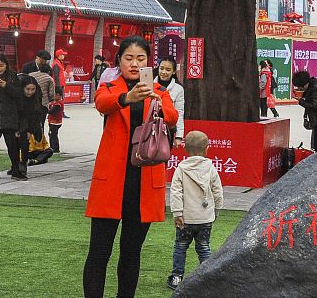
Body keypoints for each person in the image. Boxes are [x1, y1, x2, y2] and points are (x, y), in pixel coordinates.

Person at [84, 35, 178, 298]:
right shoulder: (110, 87)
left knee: (131, 252)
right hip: (112, 181)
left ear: (149, 63)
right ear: (119, 61)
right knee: (99, 251)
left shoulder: (159, 91)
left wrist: (157, 102)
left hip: (143, 182)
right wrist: (127, 97)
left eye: (141, 58)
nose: (135, 64)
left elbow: (172, 117)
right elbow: (102, 104)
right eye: (129, 58)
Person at [166, 130, 223, 289]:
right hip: (205, 218)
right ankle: (208, 278)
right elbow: (217, 191)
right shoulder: (211, 168)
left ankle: (177, 277)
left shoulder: (181, 169)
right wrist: (216, 209)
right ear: (207, 149)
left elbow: (176, 192)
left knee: (180, 246)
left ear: (185, 148)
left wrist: (177, 213)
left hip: (186, 218)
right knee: (204, 247)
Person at [17, 75, 53, 170]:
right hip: (17, 122)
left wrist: (30, 130)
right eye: (27, 89)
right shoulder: (17, 98)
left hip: (30, 124)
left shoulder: (36, 99)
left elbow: (34, 117)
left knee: (25, 143)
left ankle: (23, 166)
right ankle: (15, 166)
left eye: (33, 89)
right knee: (14, 145)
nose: (30, 92)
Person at [294, 69, 317, 152]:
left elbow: (315, 105)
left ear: (304, 84)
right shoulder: (312, 85)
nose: (299, 88)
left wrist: (301, 101)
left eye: (300, 86)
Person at [157, 56, 185, 148]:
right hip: (148, 128)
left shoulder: (179, 89)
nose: (164, 72)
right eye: (161, 68)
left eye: (168, 70)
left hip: (168, 130)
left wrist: (179, 136)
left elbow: (179, 112)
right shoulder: (149, 83)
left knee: (163, 157)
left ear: (173, 72)